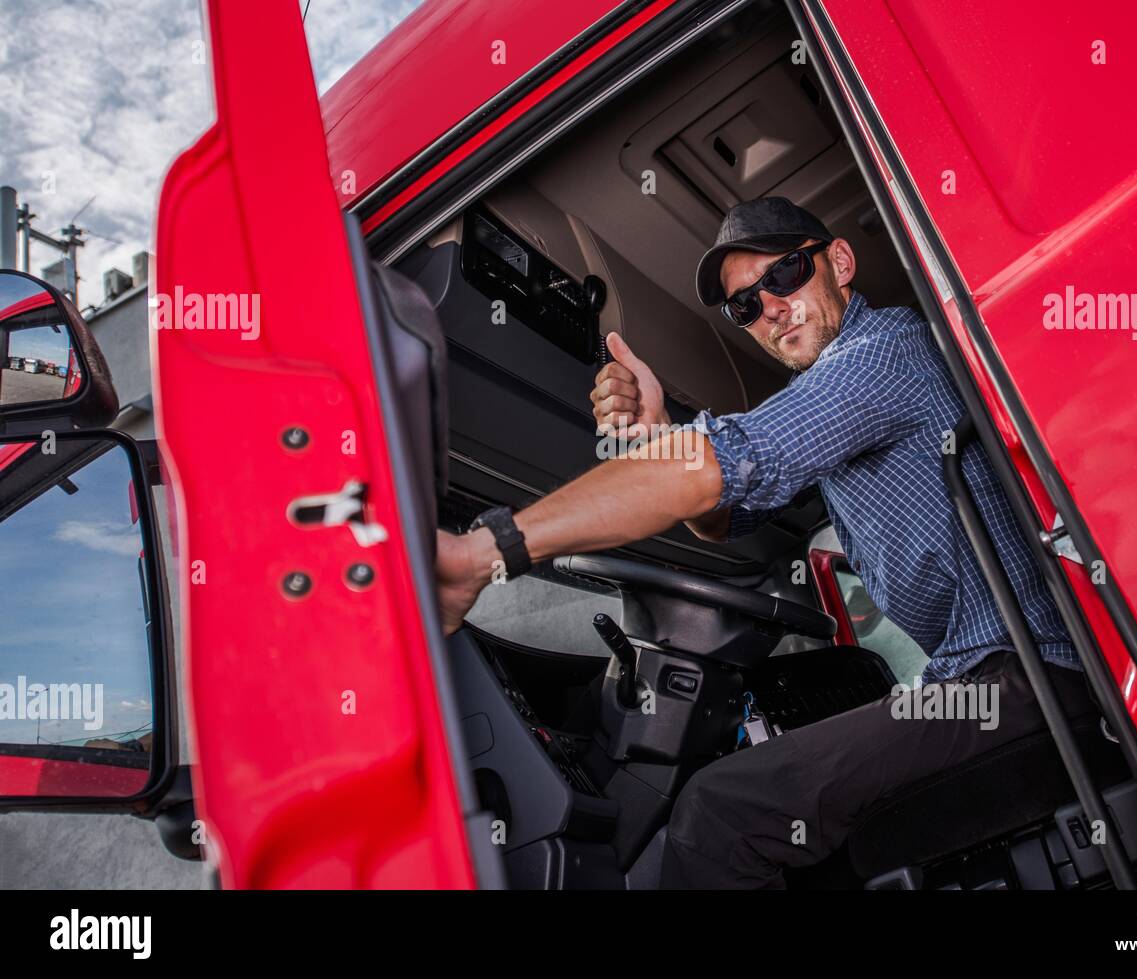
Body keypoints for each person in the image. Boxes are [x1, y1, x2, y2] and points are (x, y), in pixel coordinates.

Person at [436, 196, 1096, 888]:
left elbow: (718, 469)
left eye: (783, 275)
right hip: (978, 681)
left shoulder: (883, 351)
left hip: (1025, 682)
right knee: (811, 834)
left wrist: (489, 550)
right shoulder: (838, 401)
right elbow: (720, 517)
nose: (770, 307)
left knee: (719, 811)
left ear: (839, 261)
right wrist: (663, 434)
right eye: (745, 306)